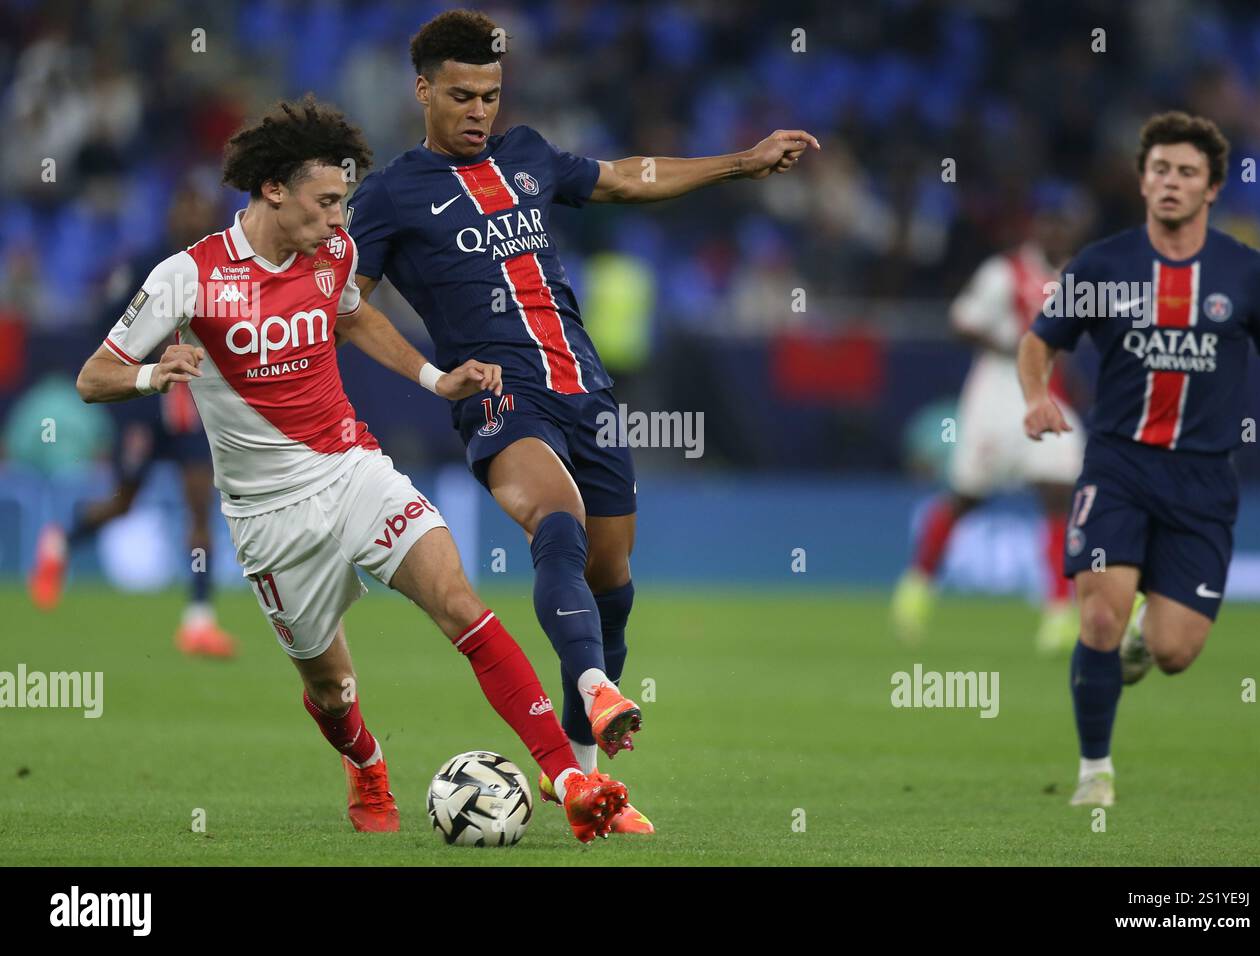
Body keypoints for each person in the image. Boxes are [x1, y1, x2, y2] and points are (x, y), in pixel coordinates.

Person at [74, 95, 629, 842]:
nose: (342, 220)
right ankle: (366, 761)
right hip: (268, 515)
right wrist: (153, 374)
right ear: (274, 189)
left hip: (352, 468)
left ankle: (573, 780)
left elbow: (351, 313)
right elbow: (94, 375)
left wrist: (436, 379)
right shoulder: (191, 275)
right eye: (328, 201)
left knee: (459, 603)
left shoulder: (332, 252)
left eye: (344, 202)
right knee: (332, 691)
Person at [345, 8, 819, 833]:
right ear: (422, 90)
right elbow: (347, 305)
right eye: (460, 95)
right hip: (501, 392)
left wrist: (740, 163)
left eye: (490, 94)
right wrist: (431, 374)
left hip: (588, 391)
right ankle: (596, 688)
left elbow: (627, 177)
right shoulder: (391, 195)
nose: (478, 111)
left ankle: (594, 793)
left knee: (612, 583)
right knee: (554, 523)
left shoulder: (528, 155)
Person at [1018, 111, 1260, 807]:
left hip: (1202, 479)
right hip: (1117, 464)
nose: (1171, 182)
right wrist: (1035, 394)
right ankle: (1095, 773)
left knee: (1174, 652)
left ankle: (1149, 639)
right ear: (1143, 181)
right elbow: (1039, 339)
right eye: (1161, 170)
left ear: (1211, 190)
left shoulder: (1246, 271)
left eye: (1187, 173)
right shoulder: (1103, 266)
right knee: (1099, 620)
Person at [30, 179, 239, 657]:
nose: (193, 214)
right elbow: (108, 325)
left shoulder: (220, 268)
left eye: (200, 205)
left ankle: (199, 619)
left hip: (191, 404)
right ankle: (60, 542)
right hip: (144, 402)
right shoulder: (148, 266)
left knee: (200, 506)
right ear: (171, 214)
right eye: (185, 205)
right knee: (124, 503)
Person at [892, 189, 1090, 654]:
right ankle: (918, 584)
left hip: (1044, 394)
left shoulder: (1074, 280)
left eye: (1064, 227)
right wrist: (1009, 343)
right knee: (966, 496)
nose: (1056, 234)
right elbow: (959, 321)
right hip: (996, 396)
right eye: (1049, 225)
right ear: (1036, 229)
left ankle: (1059, 613)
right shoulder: (1005, 272)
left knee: (1060, 491)